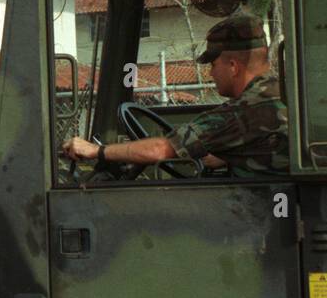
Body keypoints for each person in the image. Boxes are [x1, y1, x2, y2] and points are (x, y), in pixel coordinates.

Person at [60, 13, 288, 177]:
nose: (210, 73)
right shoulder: (278, 93)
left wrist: (96, 150)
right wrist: (228, 157)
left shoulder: (242, 111)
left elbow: (161, 149)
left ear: (233, 66)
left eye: (213, 64)